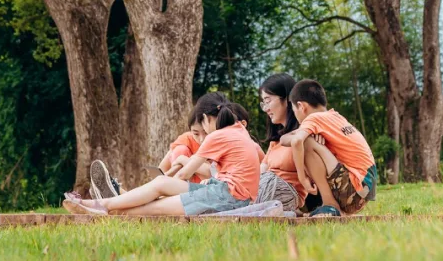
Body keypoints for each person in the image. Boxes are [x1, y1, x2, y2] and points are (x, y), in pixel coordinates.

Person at [64, 99, 260, 216]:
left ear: (208, 120)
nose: (204, 133)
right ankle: (106, 203)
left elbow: (185, 173)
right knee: (159, 183)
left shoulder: (218, 135)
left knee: (154, 207)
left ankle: (102, 206)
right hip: (222, 191)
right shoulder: (240, 131)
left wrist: (167, 185)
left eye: (203, 126)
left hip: (226, 197)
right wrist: (164, 183)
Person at [281, 79, 377, 217]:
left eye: (294, 110)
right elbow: (285, 139)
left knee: (306, 142)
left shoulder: (313, 118)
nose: (295, 116)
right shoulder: (335, 117)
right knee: (309, 139)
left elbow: (296, 141)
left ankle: (330, 204)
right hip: (362, 193)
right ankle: (338, 208)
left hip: (354, 190)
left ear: (301, 106)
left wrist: (302, 179)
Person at [257, 73, 307, 213]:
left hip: (283, 194)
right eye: (263, 103)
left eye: (268, 101)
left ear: (286, 99)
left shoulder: (305, 134)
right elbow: (261, 172)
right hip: (264, 190)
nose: (266, 109)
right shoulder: (275, 143)